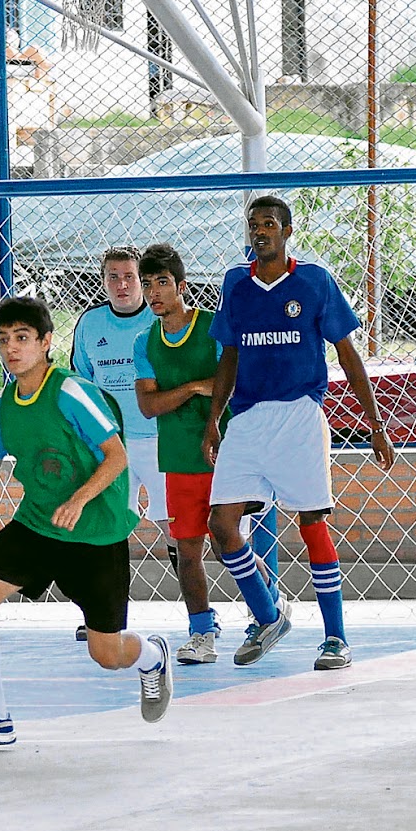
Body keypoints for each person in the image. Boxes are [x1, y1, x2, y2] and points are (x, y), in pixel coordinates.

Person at [0, 296, 172, 746]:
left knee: (106, 653)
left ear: (45, 342)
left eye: (21, 338)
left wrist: (78, 501)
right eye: (3, 340)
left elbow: (117, 457)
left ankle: (152, 656)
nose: (11, 348)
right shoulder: (0, 408)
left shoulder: (71, 392)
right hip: (38, 524)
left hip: (95, 531)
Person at [202, 196, 395, 671]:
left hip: (300, 418)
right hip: (247, 420)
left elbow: (347, 353)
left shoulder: (313, 281)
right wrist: (213, 419)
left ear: (287, 231)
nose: (259, 231)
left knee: (312, 524)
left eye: (269, 224)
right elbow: (229, 355)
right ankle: (269, 616)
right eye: (253, 224)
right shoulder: (235, 284)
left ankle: (335, 639)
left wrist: (375, 423)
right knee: (221, 526)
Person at [133, 244, 227, 665]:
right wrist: (192, 387)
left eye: (162, 283)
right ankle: (202, 632)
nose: (154, 292)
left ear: (181, 286)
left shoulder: (214, 328)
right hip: (176, 458)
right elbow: (148, 406)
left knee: (229, 545)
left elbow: (231, 386)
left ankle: (268, 605)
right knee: (187, 551)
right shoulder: (144, 342)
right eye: (147, 284)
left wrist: (210, 394)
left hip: (223, 455)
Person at [71, 246, 169, 542]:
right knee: (108, 530)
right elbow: (80, 382)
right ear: (103, 281)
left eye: (129, 276)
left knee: (175, 529)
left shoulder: (159, 320)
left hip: (159, 442)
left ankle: (188, 589)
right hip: (112, 445)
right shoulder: (90, 323)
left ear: (142, 280)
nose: (122, 284)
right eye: (113, 277)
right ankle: (114, 590)